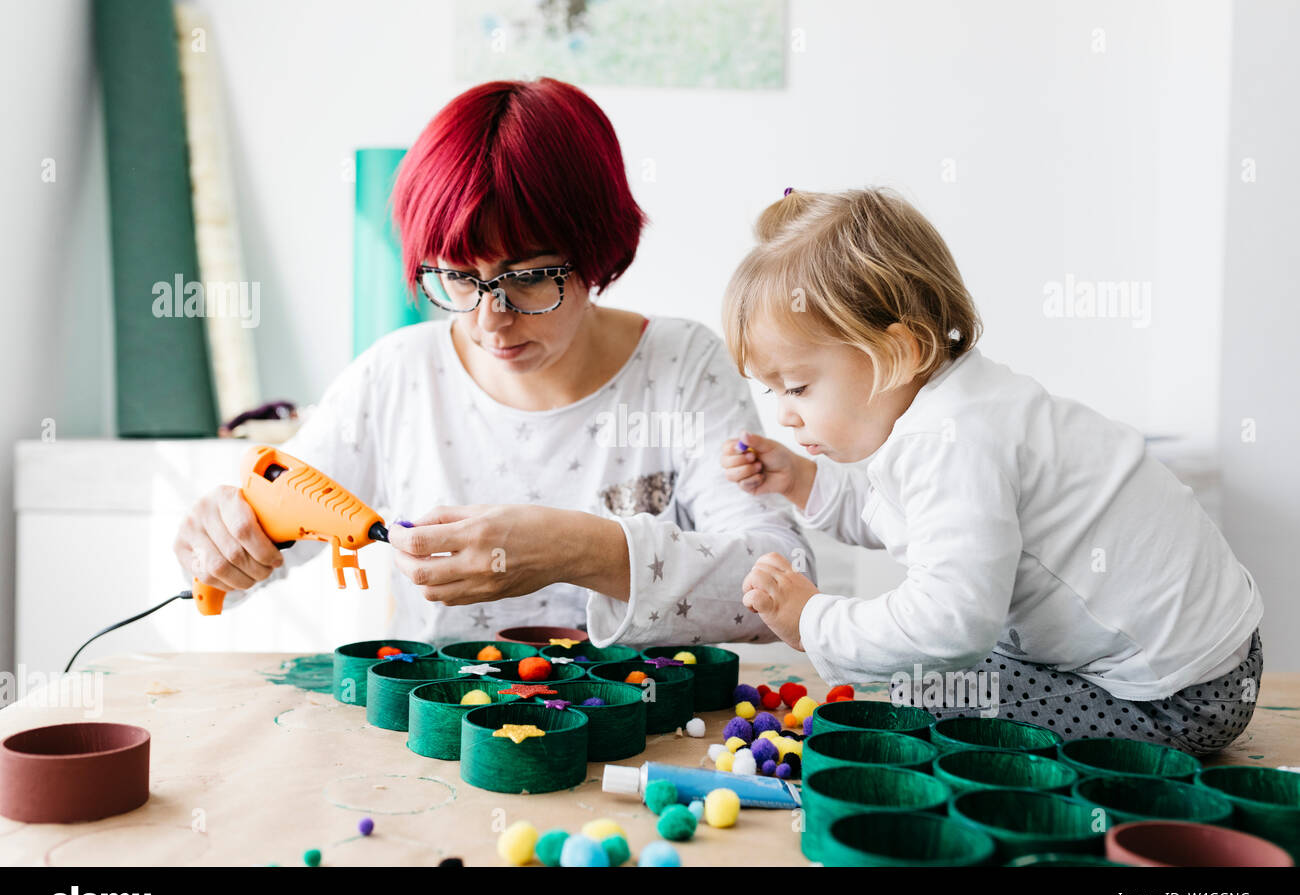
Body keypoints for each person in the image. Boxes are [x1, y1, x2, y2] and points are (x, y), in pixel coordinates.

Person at [172, 77, 812, 649]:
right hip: (444, 727)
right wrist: (219, 541)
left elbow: (785, 583)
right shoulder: (398, 375)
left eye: (528, 277)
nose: (488, 321)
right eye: (457, 277)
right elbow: (250, 554)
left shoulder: (680, 365)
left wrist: (580, 550)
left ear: (598, 251)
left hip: (642, 728)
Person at [719, 186, 1262, 755]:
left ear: (897, 351)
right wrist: (801, 481)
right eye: (773, 391)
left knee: (930, 687)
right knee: (936, 673)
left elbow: (948, 625)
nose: (784, 415)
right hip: (1212, 662)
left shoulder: (951, 440)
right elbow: (913, 518)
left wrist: (814, 621)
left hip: (1176, 696)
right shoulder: (962, 405)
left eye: (797, 387)